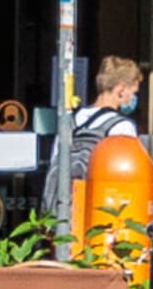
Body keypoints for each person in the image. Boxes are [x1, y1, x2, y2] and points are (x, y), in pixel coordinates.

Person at [41, 56, 144, 216]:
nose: (134, 99)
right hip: (98, 215)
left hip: (63, 214)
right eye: (133, 93)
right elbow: (126, 179)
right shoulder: (121, 127)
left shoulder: (69, 121)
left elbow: (55, 160)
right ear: (122, 89)